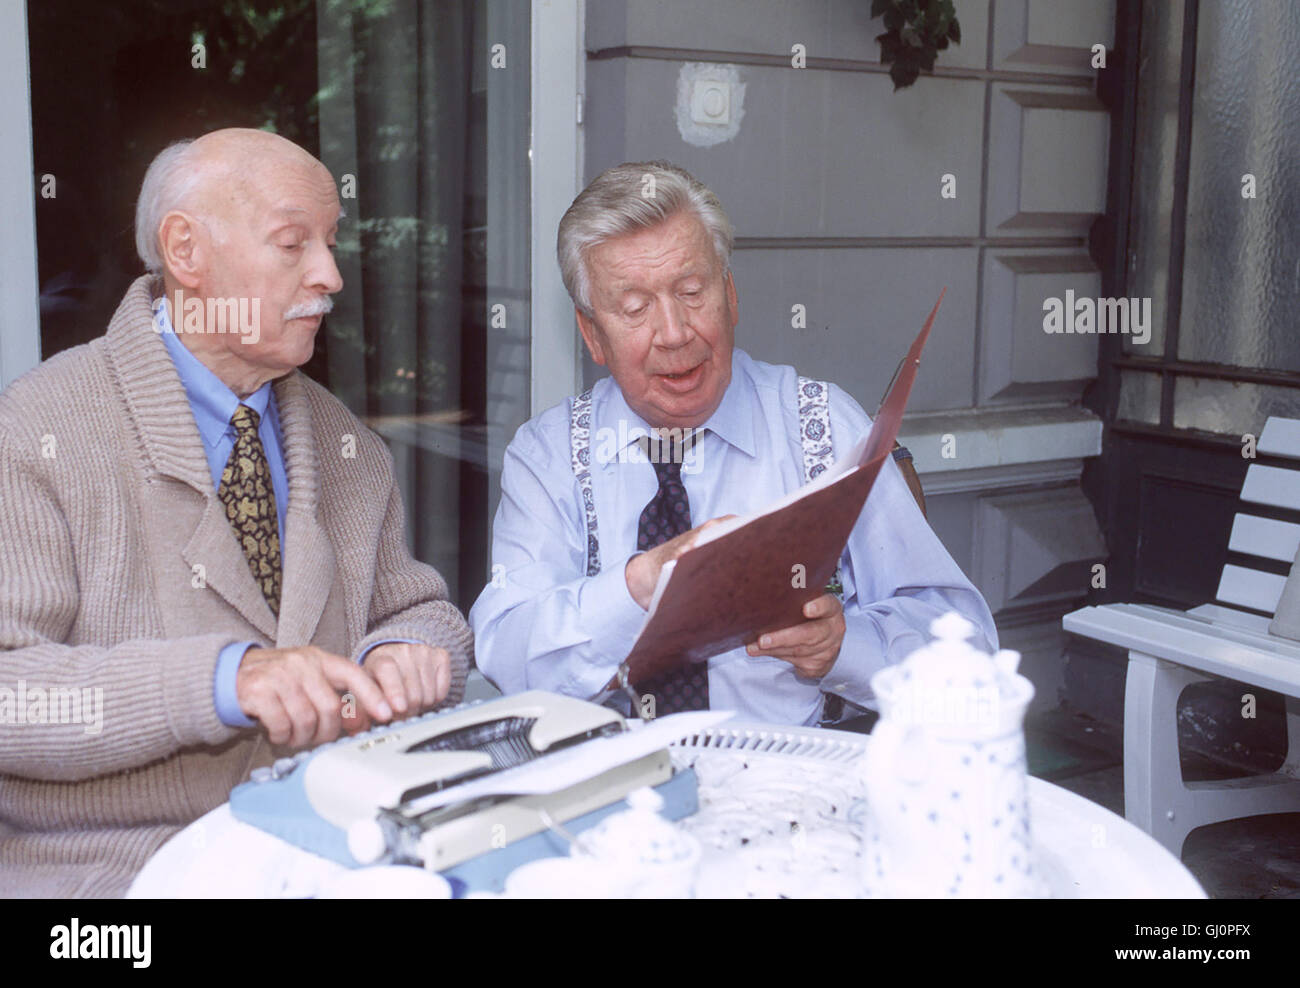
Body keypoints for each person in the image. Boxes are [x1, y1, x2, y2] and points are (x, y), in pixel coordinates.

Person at [0, 129, 472, 897]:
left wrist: (409, 649)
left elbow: (421, 609)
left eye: (330, 242)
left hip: (332, 847)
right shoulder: (38, 427)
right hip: (107, 876)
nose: (330, 276)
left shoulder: (345, 441)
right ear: (185, 252)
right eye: (293, 244)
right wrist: (226, 681)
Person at [470, 160, 996, 726]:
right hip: (618, 789)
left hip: (793, 785)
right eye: (635, 309)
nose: (674, 333)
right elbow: (505, 651)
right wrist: (638, 587)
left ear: (731, 295)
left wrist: (844, 648)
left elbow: (967, 650)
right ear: (593, 335)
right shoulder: (550, 455)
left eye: (693, 292)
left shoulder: (819, 425)